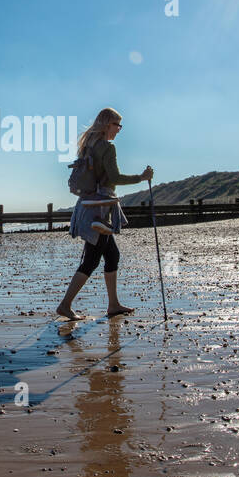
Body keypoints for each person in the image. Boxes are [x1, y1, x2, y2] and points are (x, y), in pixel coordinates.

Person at [56, 107, 152, 321]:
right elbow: (114, 177)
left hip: (88, 206)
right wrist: (142, 177)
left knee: (111, 255)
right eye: (117, 125)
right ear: (107, 124)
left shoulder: (88, 146)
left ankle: (113, 304)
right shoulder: (107, 148)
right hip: (99, 209)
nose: (119, 130)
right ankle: (65, 305)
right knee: (91, 260)